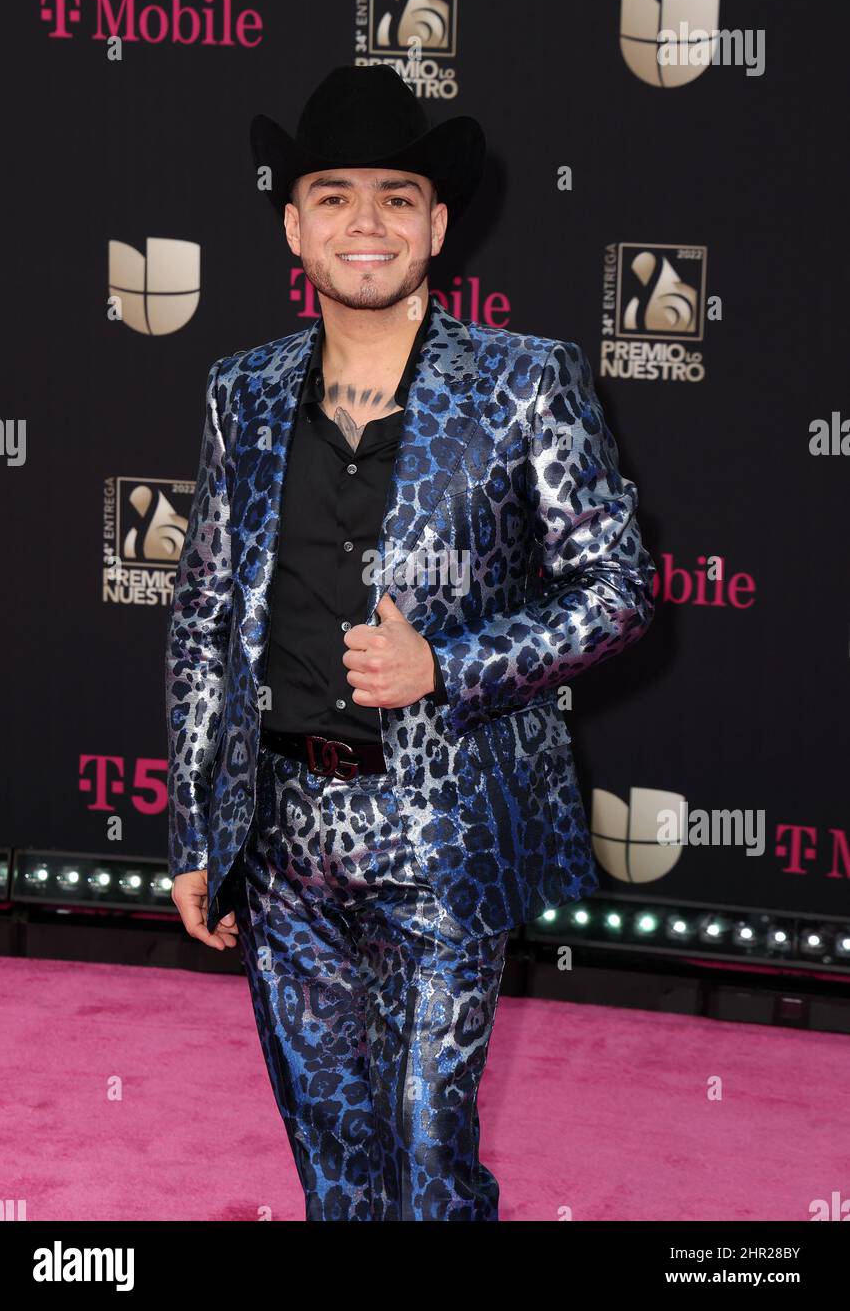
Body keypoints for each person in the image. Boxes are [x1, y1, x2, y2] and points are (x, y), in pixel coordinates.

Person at [166, 64, 656, 1221]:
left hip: (440, 830)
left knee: (432, 1155)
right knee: (333, 1161)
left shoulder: (527, 383)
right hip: (283, 835)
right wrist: (196, 826)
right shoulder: (242, 391)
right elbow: (199, 617)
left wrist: (451, 665)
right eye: (333, 195)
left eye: (397, 195)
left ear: (439, 221)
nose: (366, 222)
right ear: (293, 223)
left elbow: (619, 589)